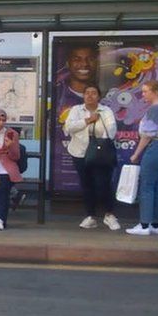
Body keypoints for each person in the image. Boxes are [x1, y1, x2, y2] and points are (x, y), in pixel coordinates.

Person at [64, 85, 121, 230]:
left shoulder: (105, 111)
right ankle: (91, 216)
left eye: (93, 93)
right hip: (80, 152)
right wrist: (88, 121)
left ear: (99, 96)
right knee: (86, 184)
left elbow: (111, 129)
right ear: (83, 96)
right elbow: (69, 127)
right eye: (87, 93)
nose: (90, 96)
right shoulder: (76, 110)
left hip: (100, 153)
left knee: (103, 183)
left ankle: (109, 214)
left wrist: (96, 127)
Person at [127, 80, 158, 236]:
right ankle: (156, 224)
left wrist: (136, 154)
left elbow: (147, 135)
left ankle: (144, 225)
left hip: (154, 148)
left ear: (156, 92)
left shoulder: (155, 108)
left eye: (146, 91)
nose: (143, 94)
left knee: (146, 186)